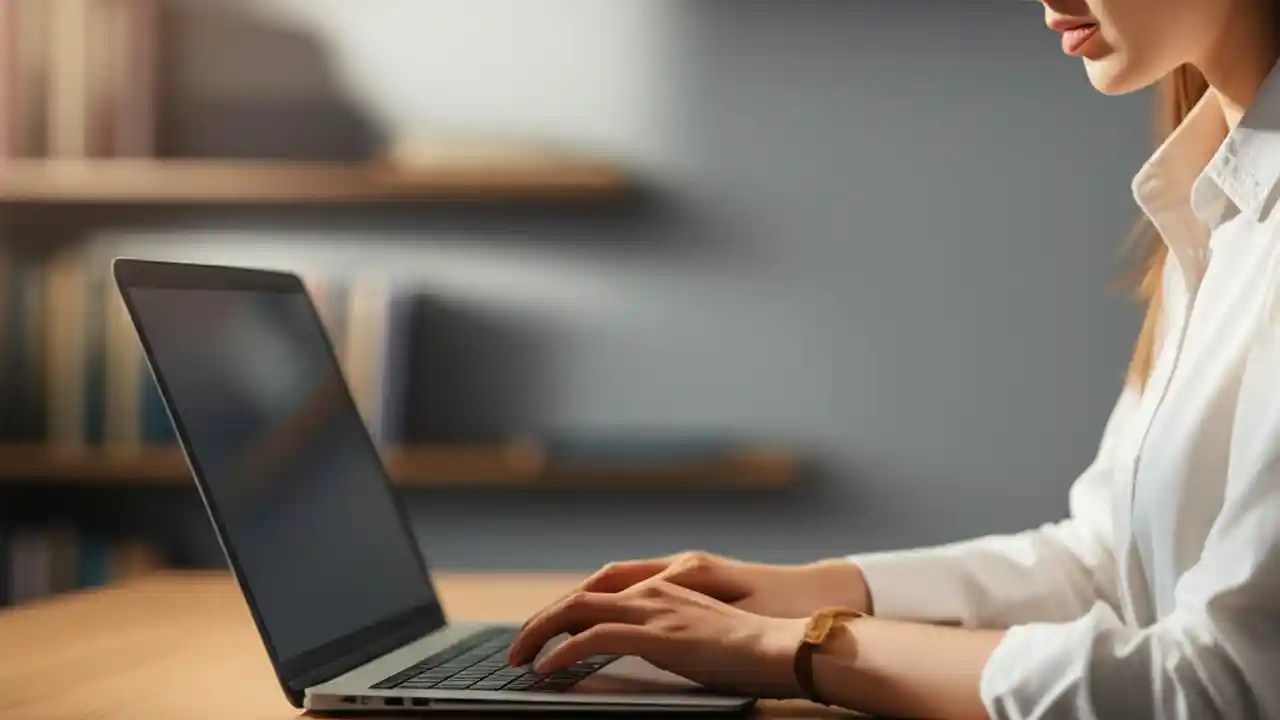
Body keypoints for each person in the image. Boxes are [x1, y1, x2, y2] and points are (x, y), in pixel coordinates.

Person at [507, 0, 1280, 717]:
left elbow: (1222, 686)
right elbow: (1113, 565)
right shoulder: (1215, 195)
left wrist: (797, 647)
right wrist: (804, 593)